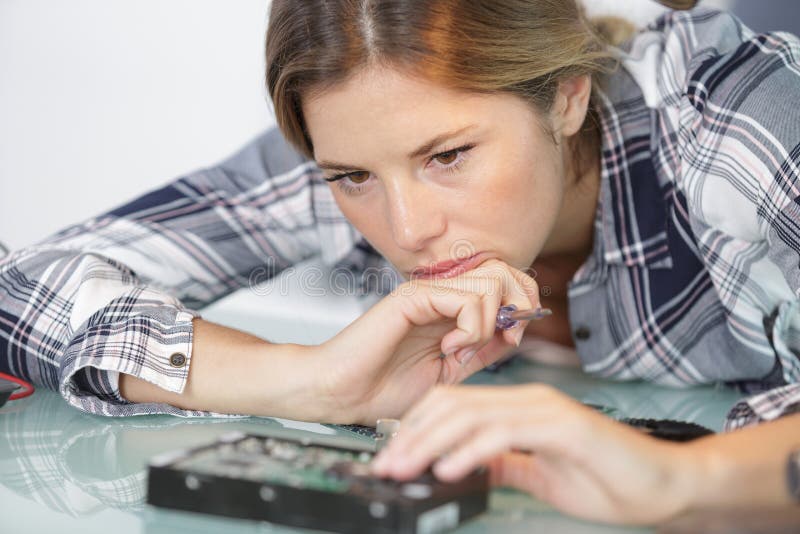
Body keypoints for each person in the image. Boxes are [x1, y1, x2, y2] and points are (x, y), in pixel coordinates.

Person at [1, 0, 799, 525]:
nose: (408, 228)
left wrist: (679, 480)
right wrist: (312, 382)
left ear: (566, 97)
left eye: (449, 156)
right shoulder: (363, 137)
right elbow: (22, 288)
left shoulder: (739, 126)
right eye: (352, 179)